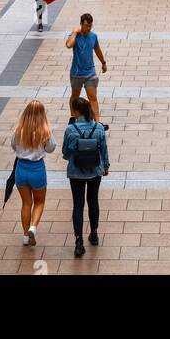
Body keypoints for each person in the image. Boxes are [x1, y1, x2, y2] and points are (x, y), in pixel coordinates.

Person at [62, 97, 110, 259]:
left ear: (76, 111)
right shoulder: (99, 128)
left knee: (78, 205)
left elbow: (65, 154)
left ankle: (78, 242)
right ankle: (94, 234)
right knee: (93, 201)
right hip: (95, 170)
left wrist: (74, 150)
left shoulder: (70, 129)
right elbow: (104, 149)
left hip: (76, 172)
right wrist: (106, 166)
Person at [12, 100, 56, 246]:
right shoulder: (45, 131)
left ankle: (25, 236)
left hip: (21, 169)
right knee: (39, 202)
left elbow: (13, 145)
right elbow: (51, 148)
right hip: (37, 169)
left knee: (26, 203)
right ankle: (33, 227)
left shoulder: (19, 130)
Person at [66, 14, 108, 123]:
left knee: (92, 97)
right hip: (76, 73)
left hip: (90, 73)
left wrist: (103, 62)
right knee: (75, 96)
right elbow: (69, 45)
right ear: (81, 24)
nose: (88, 28)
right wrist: (75, 32)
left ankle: (97, 123)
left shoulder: (93, 36)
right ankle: (73, 118)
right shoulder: (75, 35)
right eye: (86, 25)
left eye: (90, 25)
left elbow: (97, 49)